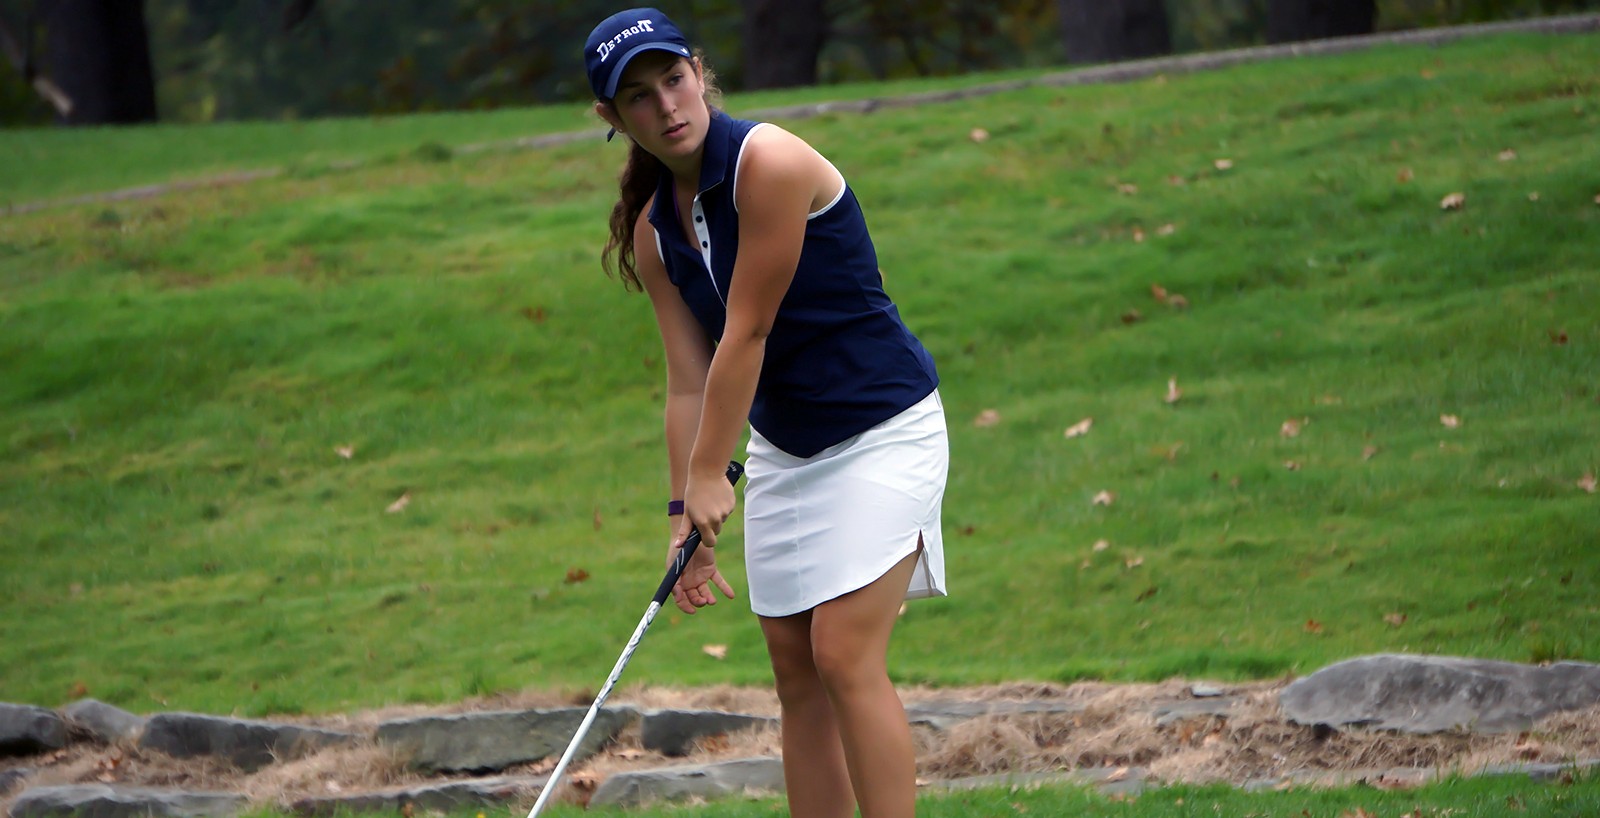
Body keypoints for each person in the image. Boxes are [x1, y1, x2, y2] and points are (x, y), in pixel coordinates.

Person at [583, 9, 949, 818]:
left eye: (673, 80)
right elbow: (687, 382)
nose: (667, 107)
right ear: (613, 119)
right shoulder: (654, 233)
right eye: (639, 99)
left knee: (843, 655)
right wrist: (684, 514)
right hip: (787, 449)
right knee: (796, 673)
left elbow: (746, 329)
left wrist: (713, 470)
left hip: (883, 428)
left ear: (699, 71)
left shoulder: (769, 163)